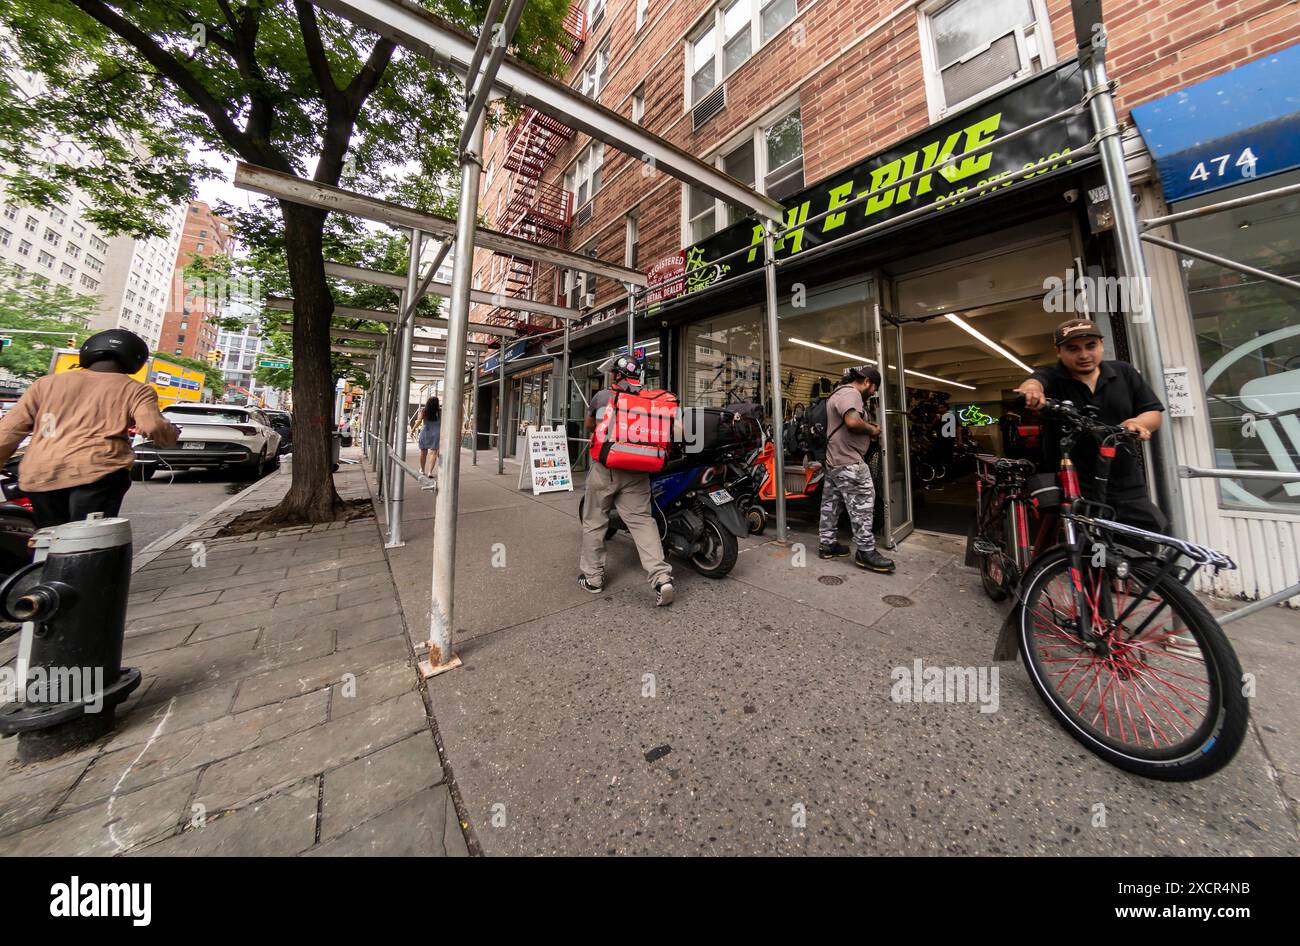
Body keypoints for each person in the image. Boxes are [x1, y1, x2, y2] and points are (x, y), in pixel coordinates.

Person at [0, 329, 179, 529]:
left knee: (48, 535)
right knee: (87, 542)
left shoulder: (45, 384)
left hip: (40, 473)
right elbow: (152, 426)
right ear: (135, 360)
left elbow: (8, 432)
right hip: (99, 473)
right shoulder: (136, 389)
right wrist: (170, 434)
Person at [1014, 318, 1168, 531]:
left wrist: (1138, 422)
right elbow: (1036, 381)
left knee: (1144, 548)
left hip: (1126, 482)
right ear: (1059, 351)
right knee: (1083, 555)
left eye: (1091, 346)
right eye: (1073, 349)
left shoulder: (1124, 372)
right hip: (1075, 486)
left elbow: (1153, 413)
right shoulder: (1052, 377)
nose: (1084, 355)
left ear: (1102, 345)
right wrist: (1032, 390)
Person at [579, 353, 674, 606]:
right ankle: (662, 578)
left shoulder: (603, 397)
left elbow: (590, 425)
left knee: (595, 520)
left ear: (617, 375)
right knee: (643, 522)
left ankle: (593, 578)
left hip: (607, 468)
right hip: (640, 469)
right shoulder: (649, 400)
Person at [818, 365, 896, 573]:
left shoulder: (837, 393)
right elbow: (852, 422)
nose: (873, 393)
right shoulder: (852, 394)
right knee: (863, 505)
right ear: (867, 382)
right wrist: (873, 429)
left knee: (831, 505)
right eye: (873, 388)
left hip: (834, 461)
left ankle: (827, 544)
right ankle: (865, 551)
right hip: (849, 463)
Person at [416, 396, 441, 477]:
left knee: (423, 452)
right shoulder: (439, 412)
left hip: (425, 433)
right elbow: (443, 423)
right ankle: (430, 472)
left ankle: (422, 470)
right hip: (436, 434)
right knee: (433, 453)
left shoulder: (424, 411)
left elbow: (419, 421)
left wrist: (412, 430)